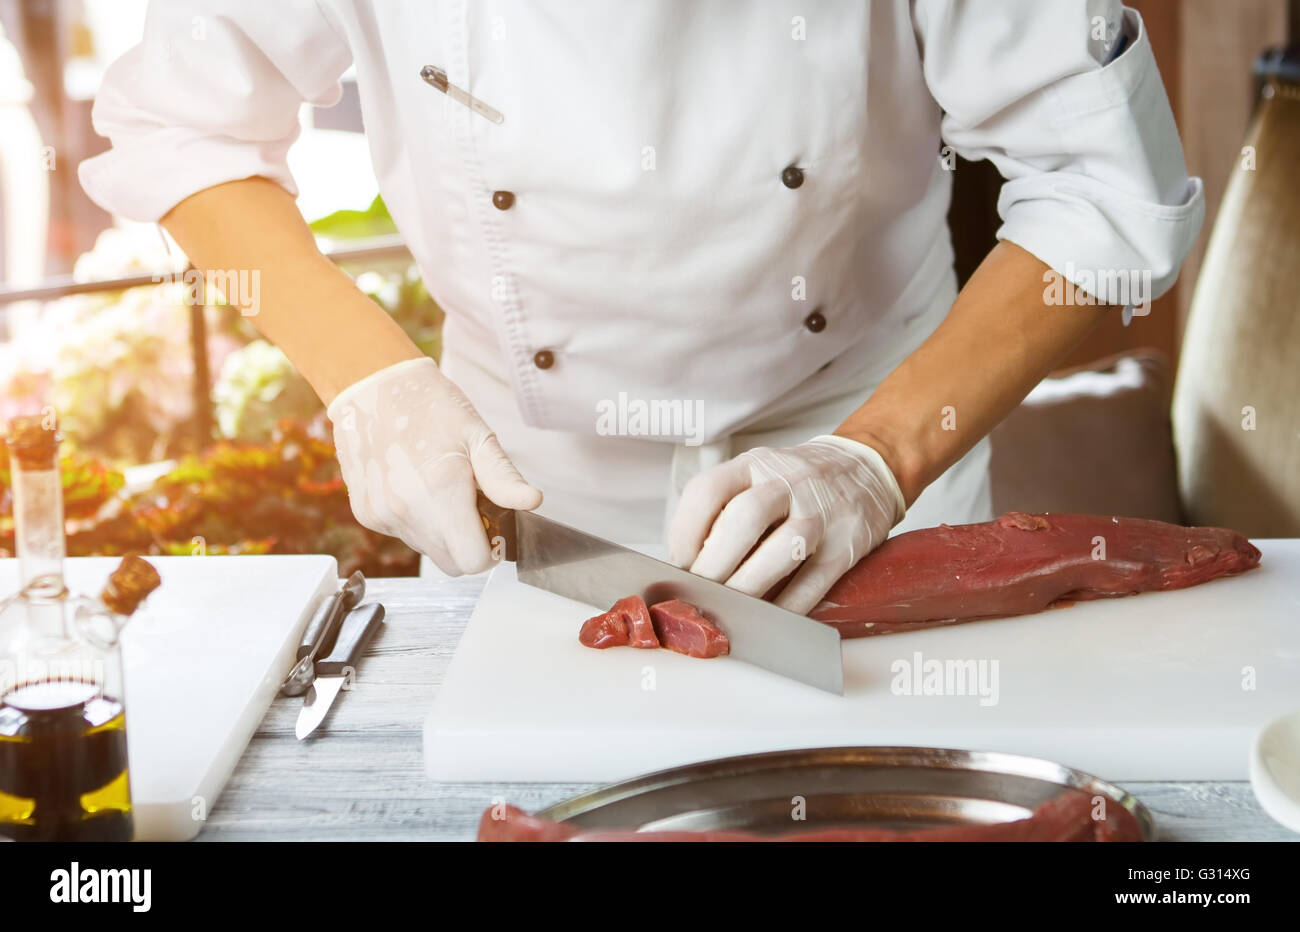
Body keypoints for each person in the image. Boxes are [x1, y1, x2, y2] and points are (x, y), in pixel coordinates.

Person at [80, 1, 1203, 614]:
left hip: (868, 420)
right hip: (524, 478)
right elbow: (182, 128)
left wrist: (876, 459)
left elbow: (1106, 188)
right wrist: (365, 371)